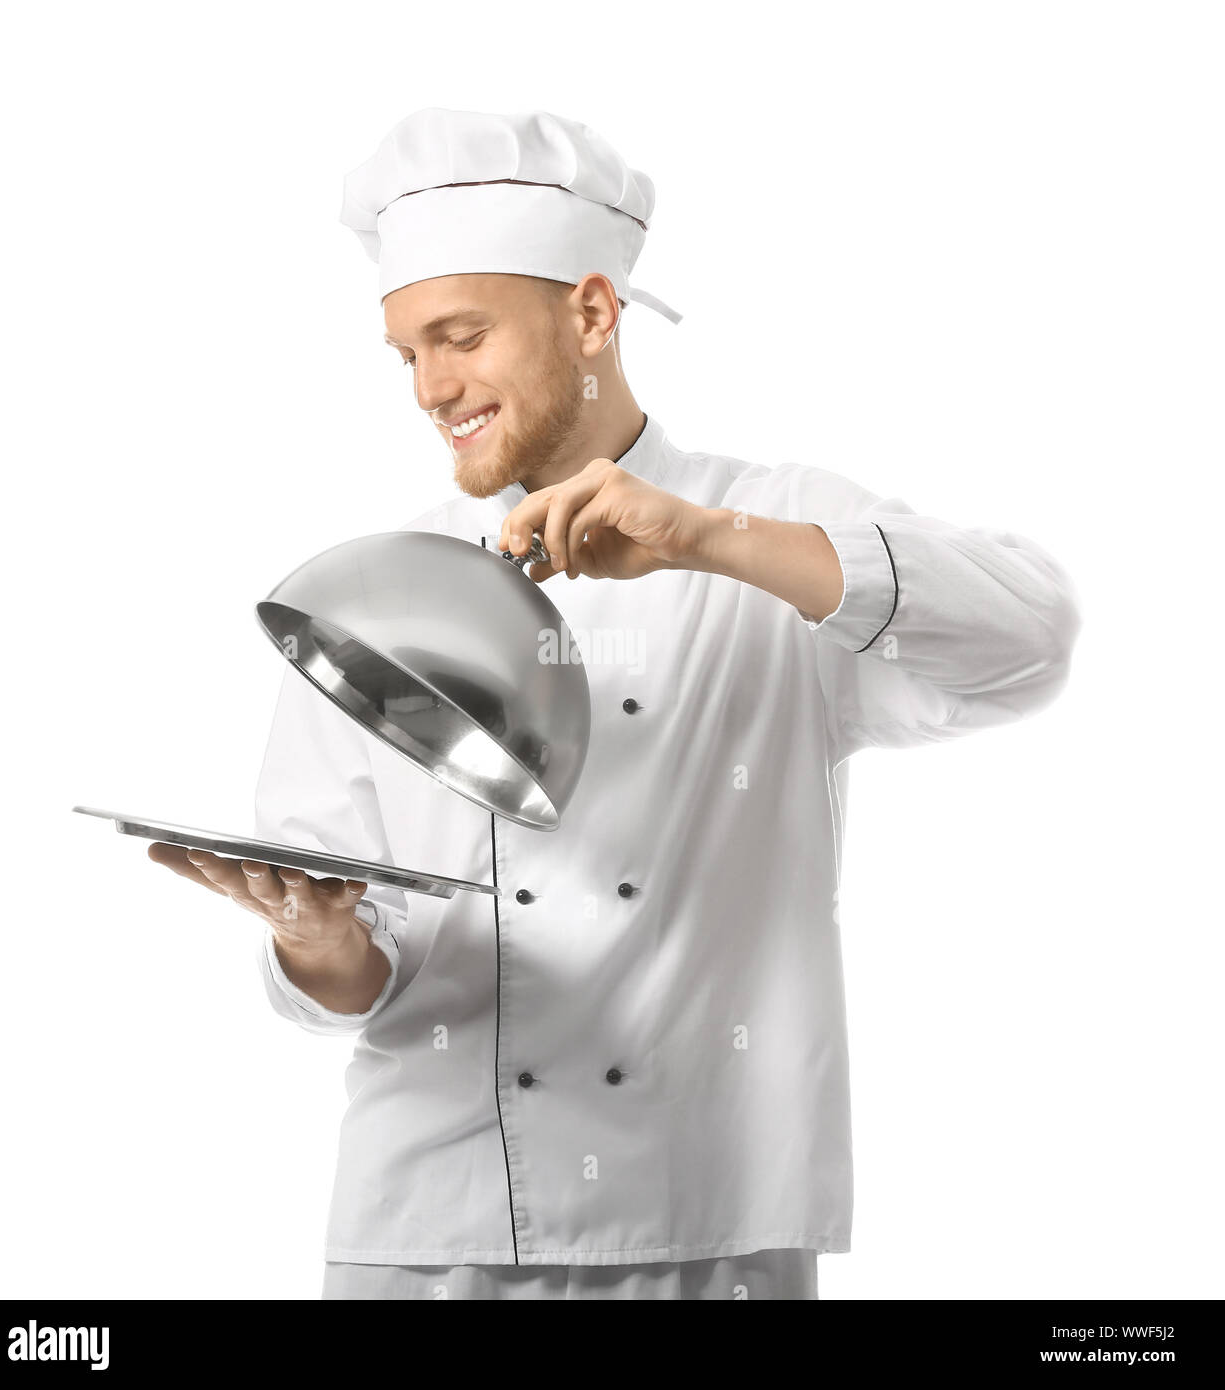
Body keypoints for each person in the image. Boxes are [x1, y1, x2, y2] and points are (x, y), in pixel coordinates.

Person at [148, 108, 1082, 1300]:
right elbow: (348, 963)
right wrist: (319, 940)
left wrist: (709, 540)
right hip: (425, 1228)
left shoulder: (768, 522)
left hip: (707, 1224)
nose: (432, 387)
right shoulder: (374, 597)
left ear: (591, 312)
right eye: (406, 354)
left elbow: (1031, 640)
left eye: (460, 336)